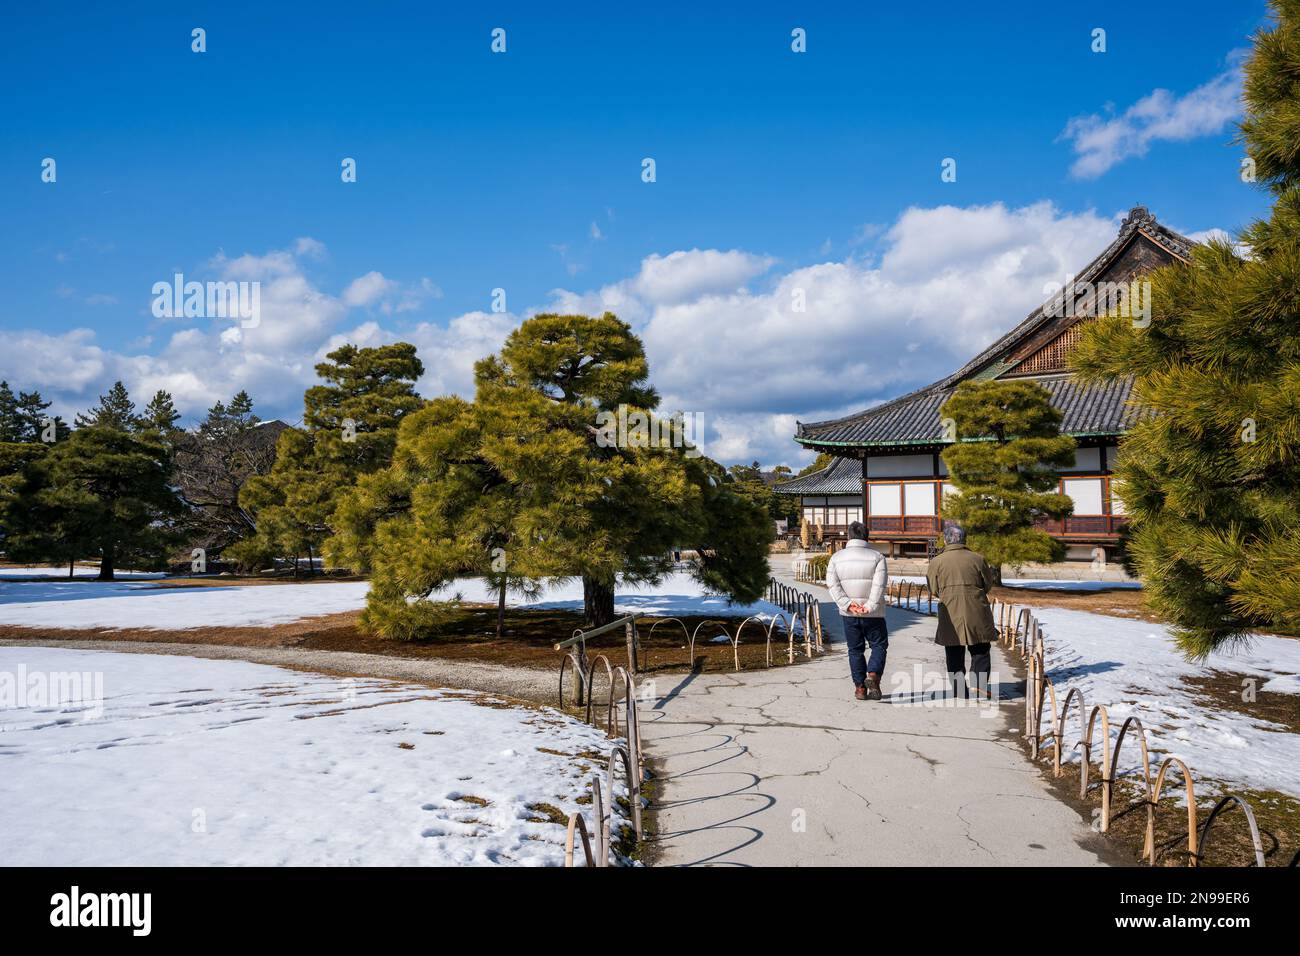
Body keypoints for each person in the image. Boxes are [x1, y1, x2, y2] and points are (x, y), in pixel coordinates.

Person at [926, 524, 999, 699]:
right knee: (980, 647)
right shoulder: (978, 559)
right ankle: (979, 684)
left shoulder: (936, 561)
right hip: (976, 607)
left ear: (946, 540)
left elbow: (933, 589)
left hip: (950, 610)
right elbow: (987, 584)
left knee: (953, 650)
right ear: (965, 539)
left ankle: (959, 689)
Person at [824, 521, 888, 701]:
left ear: (849, 537)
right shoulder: (877, 557)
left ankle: (860, 688)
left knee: (854, 649)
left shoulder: (836, 557)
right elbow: (879, 584)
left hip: (849, 614)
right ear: (866, 536)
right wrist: (869, 605)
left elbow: (832, 584)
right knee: (879, 645)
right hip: (873, 614)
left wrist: (847, 604)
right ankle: (873, 675)